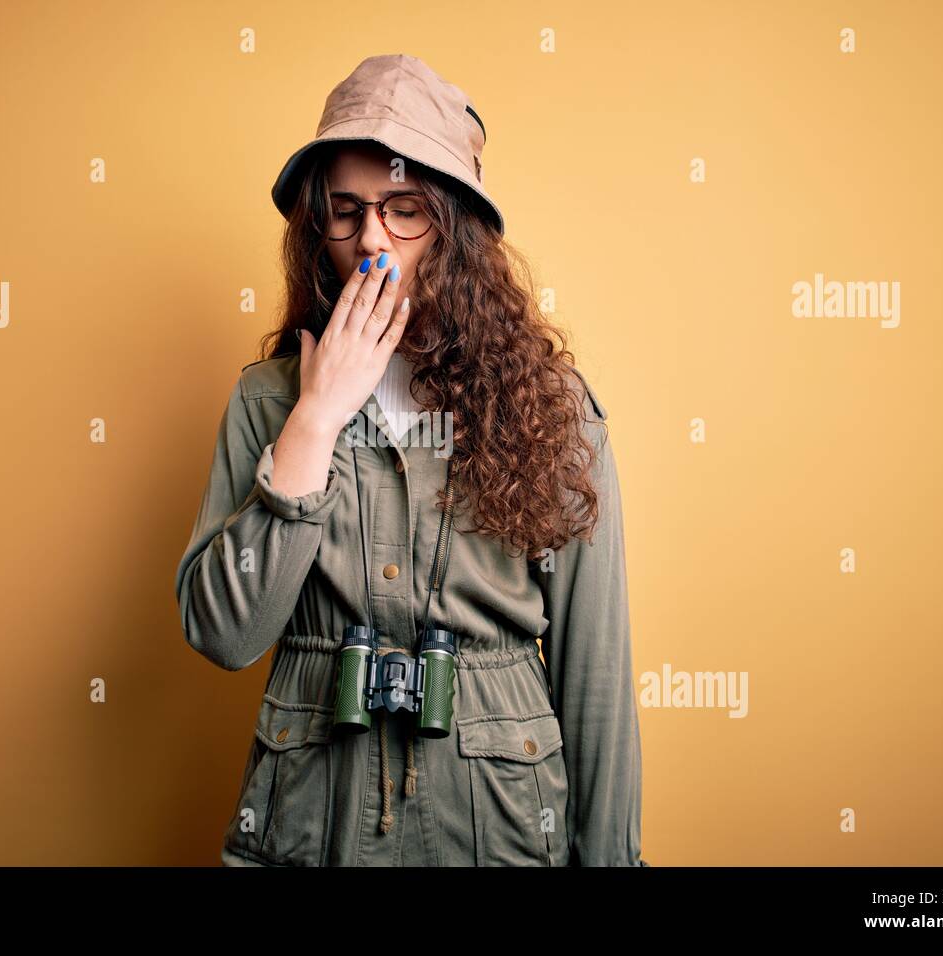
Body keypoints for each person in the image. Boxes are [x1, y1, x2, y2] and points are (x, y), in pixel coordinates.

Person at [174, 53, 646, 867]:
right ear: (315, 226)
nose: (372, 242)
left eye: (405, 211)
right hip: (310, 824)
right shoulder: (266, 402)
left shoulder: (556, 409)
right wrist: (316, 417)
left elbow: (594, 675)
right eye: (346, 211)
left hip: (495, 826)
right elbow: (224, 632)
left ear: (454, 227)